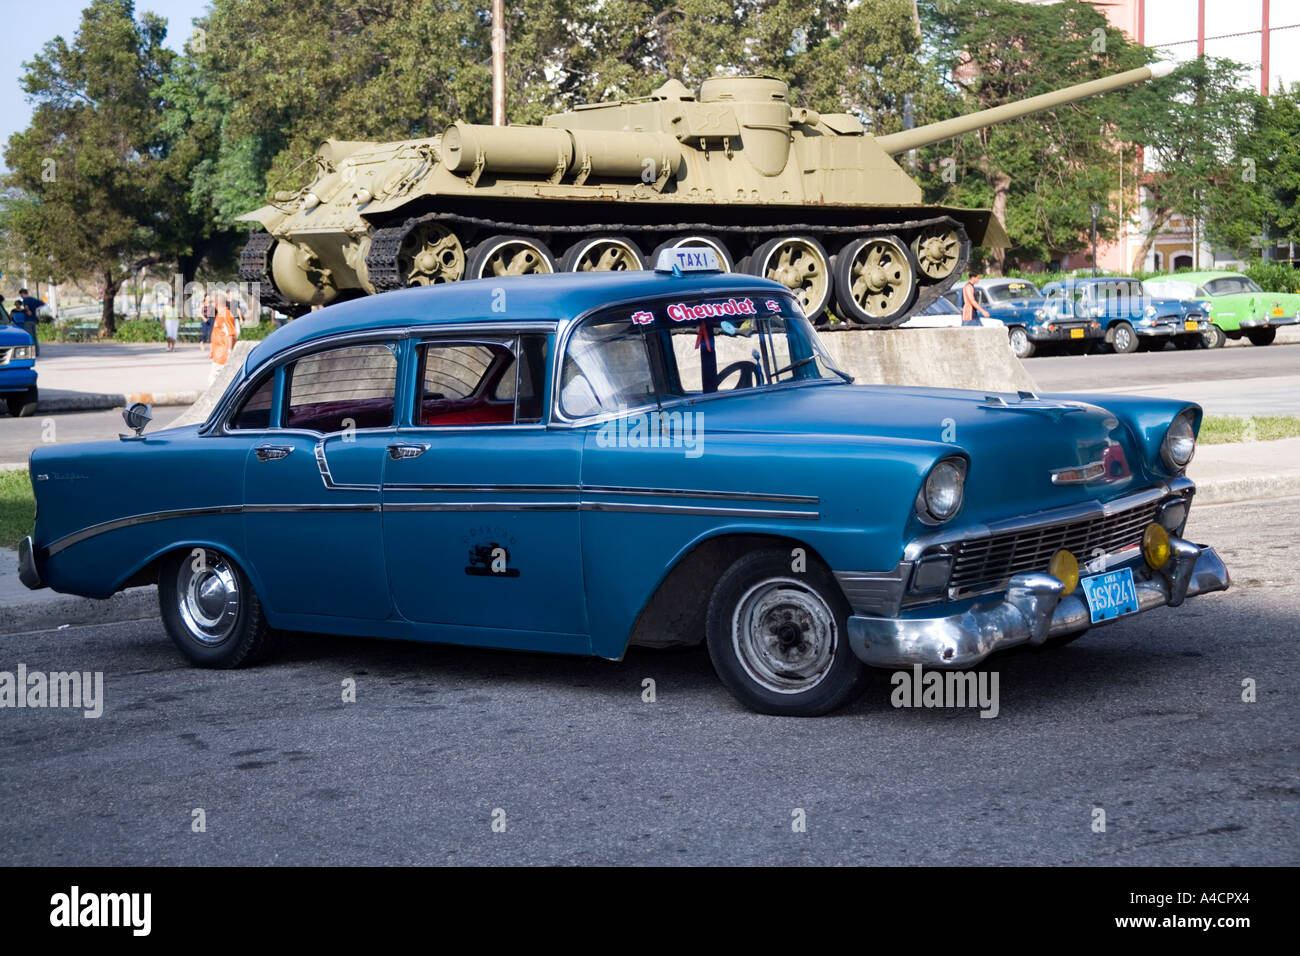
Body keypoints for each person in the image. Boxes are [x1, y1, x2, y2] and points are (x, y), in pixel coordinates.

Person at [208, 291, 239, 385]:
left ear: (216, 302)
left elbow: (230, 333)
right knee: (218, 381)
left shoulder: (226, 314)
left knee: (212, 381)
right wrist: (212, 351)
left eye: (212, 302)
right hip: (218, 353)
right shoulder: (220, 314)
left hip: (222, 354)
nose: (212, 304)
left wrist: (229, 351)